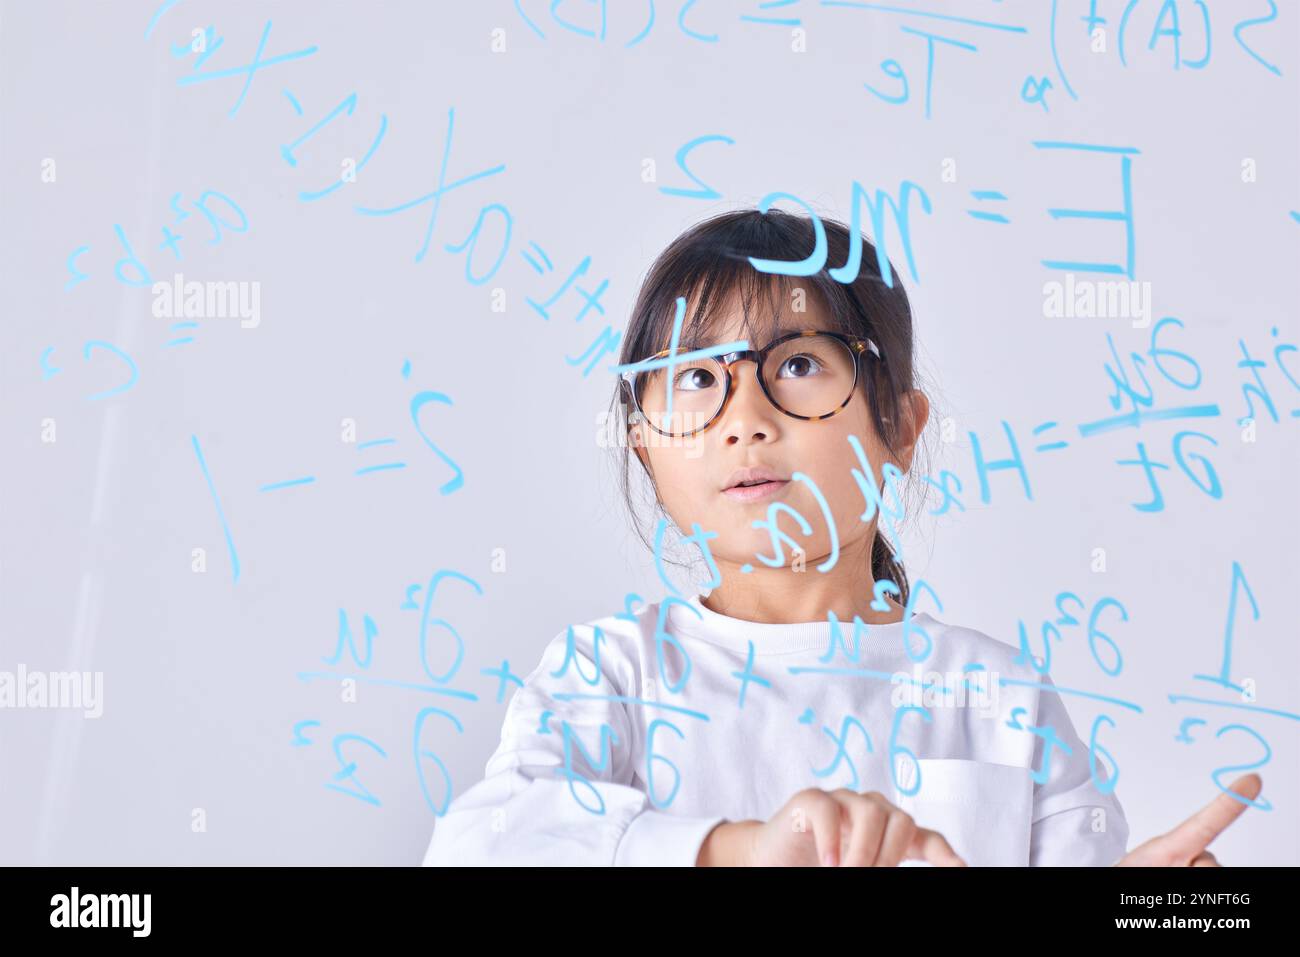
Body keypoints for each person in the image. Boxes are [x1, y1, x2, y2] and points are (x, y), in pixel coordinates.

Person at [422, 208, 1263, 867]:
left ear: (899, 426)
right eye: (695, 378)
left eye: (795, 363)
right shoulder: (609, 676)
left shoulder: (998, 696)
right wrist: (744, 850)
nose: (742, 420)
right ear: (644, 446)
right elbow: (478, 848)